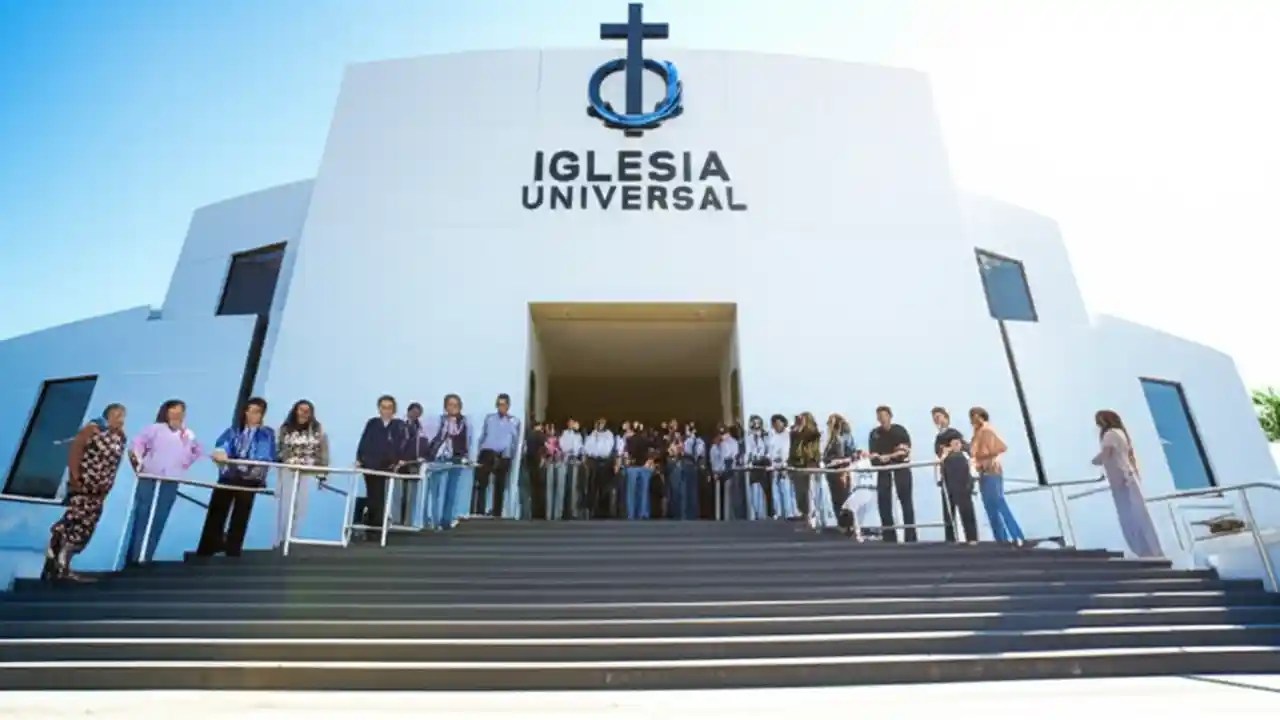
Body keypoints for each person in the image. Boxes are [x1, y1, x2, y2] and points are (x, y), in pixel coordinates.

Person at [43, 404, 130, 581]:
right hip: (84, 486)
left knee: (88, 523)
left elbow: (115, 464)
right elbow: (75, 452)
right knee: (76, 518)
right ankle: (58, 561)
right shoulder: (92, 430)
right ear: (107, 416)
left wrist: (107, 487)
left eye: (123, 416)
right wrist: (76, 479)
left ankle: (61, 560)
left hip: (100, 490)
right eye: (117, 415)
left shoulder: (119, 437)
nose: (120, 419)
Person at [199, 397, 278, 557]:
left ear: (262, 414)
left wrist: (248, 467)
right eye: (249, 411)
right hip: (229, 475)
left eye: (256, 412)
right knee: (217, 510)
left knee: (241, 514)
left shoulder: (266, 433)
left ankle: (232, 550)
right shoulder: (234, 430)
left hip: (250, 478)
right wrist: (220, 452)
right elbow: (222, 445)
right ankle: (208, 548)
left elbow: (265, 454)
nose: (251, 415)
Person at [128, 399, 202, 564]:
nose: (177, 414)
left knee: (160, 517)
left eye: (181, 411)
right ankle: (135, 556)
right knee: (143, 515)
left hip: (171, 480)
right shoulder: (154, 429)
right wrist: (140, 464)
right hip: (151, 477)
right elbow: (136, 445)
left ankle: (147, 556)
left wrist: (183, 464)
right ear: (166, 412)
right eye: (174, 410)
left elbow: (197, 451)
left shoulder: (187, 434)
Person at [1093, 410, 1164, 558]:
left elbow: (1107, 453)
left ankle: (1144, 550)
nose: (1097, 424)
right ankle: (1150, 549)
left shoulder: (1110, 434)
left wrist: (1094, 462)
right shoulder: (1121, 433)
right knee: (1138, 515)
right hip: (1128, 477)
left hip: (1121, 479)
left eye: (1099, 420)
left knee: (1129, 516)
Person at [275, 399, 331, 546]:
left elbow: (323, 451)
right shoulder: (285, 428)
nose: (304, 413)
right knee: (285, 507)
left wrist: (323, 472)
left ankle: (294, 540)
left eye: (307, 410)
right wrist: (289, 461)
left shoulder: (318, 429)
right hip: (288, 471)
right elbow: (279, 449)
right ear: (295, 411)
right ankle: (281, 540)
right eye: (301, 409)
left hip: (309, 473)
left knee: (301, 508)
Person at [355, 395, 409, 539]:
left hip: (388, 467)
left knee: (385, 499)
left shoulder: (399, 425)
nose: (386, 411)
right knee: (373, 498)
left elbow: (402, 444)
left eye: (389, 408)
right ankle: (372, 530)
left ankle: (381, 531)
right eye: (383, 407)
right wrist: (359, 459)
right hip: (370, 466)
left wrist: (398, 460)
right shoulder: (372, 423)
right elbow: (364, 442)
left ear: (394, 409)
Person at [970, 406, 1024, 546]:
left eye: (976, 416)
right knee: (990, 506)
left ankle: (1016, 535)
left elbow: (1001, 447)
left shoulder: (987, 430)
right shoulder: (976, 434)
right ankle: (1001, 538)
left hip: (992, 470)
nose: (973, 420)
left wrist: (987, 456)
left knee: (998, 502)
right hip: (982, 472)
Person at [868, 405, 916, 542]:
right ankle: (889, 536)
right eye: (879, 417)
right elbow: (873, 455)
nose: (882, 419)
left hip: (901, 470)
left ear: (890, 416)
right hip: (884, 472)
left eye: (884, 416)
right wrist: (881, 457)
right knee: (884, 503)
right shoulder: (874, 434)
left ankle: (910, 537)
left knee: (906, 502)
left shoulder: (899, 430)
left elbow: (905, 450)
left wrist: (889, 456)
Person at [932, 407, 978, 544]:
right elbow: (939, 453)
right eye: (935, 418)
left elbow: (962, 447)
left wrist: (951, 449)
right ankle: (950, 539)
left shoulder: (954, 433)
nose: (937, 420)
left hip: (959, 470)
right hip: (947, 472)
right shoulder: (939, 437)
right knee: (948, 506)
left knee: (965, 504)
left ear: (946, 418)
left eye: (939, 417)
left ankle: (972, 537)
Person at [426, 393, 471, 530]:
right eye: (450, 404)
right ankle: (434, 521)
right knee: (436, 491)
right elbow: (432, 438)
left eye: (456, 405)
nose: (453, 407)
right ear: (445, 406)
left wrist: (466, 457)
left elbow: (467, 441)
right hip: (439, 458)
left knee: (452, 491)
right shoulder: (439, 421)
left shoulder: (463, 423)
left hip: (455, 458)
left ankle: (447, 520)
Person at [475, 393, 521, 518]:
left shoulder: (514, 421)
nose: (502, 407)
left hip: (504, 454)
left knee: (500, 484)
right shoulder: (489, 418)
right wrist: (479, 451)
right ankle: (480, 510)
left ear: (508, 406)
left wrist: (512, 455)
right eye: (499, 404)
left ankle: (497, 512)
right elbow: (483, 435)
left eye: (504, 405)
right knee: (482, 482)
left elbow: (515, 441)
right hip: (488, 451)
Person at [819, 413, 858, 529]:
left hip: (842, 471)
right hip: (831, 472)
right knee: (835, 499)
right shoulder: (830, 438)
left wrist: (842, 463)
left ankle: (848, 525)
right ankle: (840, 523)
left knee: (844, 499)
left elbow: (852, 453)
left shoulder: (845, 437)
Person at [788, 413, 822, 521]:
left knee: (808, 491)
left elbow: (813, 448)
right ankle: (803, 512)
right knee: (799, 492)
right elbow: (793, 447)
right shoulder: (795, 434)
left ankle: (811, 514)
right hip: (797, 465)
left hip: (808, 464)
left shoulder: (813, 434)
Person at [582, 418, 615, 520]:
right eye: (599, 423)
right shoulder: (592, 434)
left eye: (602, 424)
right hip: (594, 462)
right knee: (592, 487)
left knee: (604, 488)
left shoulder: (609, 435)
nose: (600, 425)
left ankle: (604, 511)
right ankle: (592, 510)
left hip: (605, 462)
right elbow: (588, 448)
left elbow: (608, 448)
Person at [710, 424, 741, 520]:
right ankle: (720, 516)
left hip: (730, 471)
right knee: (718, 495)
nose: (722, 435)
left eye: (724, 433)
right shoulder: (715, 444)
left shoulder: (733, 442)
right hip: (719, 471)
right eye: (720, 433)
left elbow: (732, 456)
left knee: (730, 495)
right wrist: (715, 470)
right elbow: (713, 457)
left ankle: (730, 516)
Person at [768, 414, 797, 519]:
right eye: (774, 424)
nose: (776, 426)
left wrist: (784, 461)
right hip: (774, 466)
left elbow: (787, 451)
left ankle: (790, 512)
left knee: (787, 490)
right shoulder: (772, 436)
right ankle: (779, 512)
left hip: (785, 466)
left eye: (778, 423)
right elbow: (770, 451)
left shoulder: (788, 435)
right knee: (776, 491)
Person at [624, 421, 653, 520]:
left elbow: (627, 453)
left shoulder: (631, 440)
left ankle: (635, 514)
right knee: (642, 491)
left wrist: (649, 460)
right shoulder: (641, 440)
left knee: (634, 492)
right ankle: (641, 513)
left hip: (637, 467)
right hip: (639, 467)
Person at [559, 418, 585, 519]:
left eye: (573, 423)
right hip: (565, 460)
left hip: (574, 461)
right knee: (564, 486)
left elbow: (579, 447)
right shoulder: (564, 434)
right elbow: (562, 446)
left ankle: (573, 510)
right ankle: (564, 510)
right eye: (570, 423)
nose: (571, 425)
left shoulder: (578, 436)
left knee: (574, 486)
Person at [524, 420, 549, 520]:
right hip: (539, 464)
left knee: (532, 490)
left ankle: (533, 512)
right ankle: (540, 513)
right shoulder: (541, 436)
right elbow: (546, 449)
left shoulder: (529, 436)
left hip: (530, 464)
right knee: (541, 490)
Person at [543, 422, 565, 520]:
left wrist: (558, 452)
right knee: (549, 488)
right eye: (548, 428)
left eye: (551, 428)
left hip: (560, 463)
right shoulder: (545, 440)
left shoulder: (561, 439)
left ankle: (558, 514)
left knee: (560, 488)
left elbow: (564, 451)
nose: (550, 430)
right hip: (549, 463)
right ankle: (549, 514)